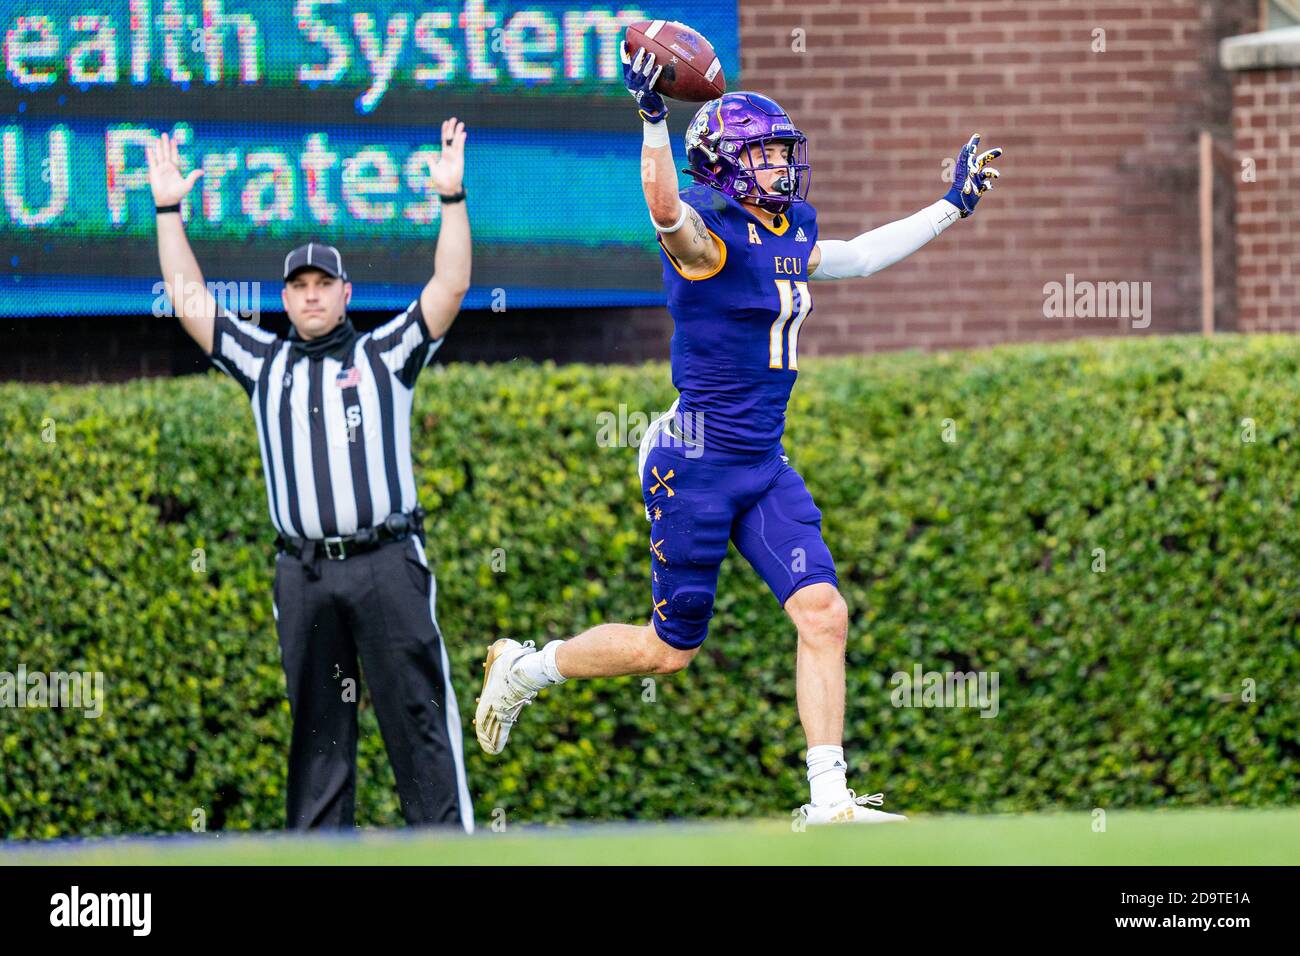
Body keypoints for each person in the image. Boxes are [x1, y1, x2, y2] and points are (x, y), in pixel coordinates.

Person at [474, 49, 1006, 825]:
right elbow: (666, 216)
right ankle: (528, 668)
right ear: (723, 165)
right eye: (762, 154)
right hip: (691, 467)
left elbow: (854, 258)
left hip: (760, 464)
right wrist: (653, 119)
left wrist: (949, 206)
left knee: (824, 612)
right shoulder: (710, 234)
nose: (780, 168)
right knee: (669, 649)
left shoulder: (790, 229)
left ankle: (829, 799)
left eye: (784, 153)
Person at [147, 118, 475, 831]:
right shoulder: (265, 365)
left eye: (323, 283)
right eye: (298, 286)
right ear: (286, 297)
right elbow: (190, 301)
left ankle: (451, 853)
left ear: (345, 292)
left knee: (418, 725)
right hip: (305, 576)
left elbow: (450, 286)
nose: (311, 296)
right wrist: (169, 211)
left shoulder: (388, 353)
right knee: (320, 741)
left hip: (387, 561)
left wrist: (452, 199)